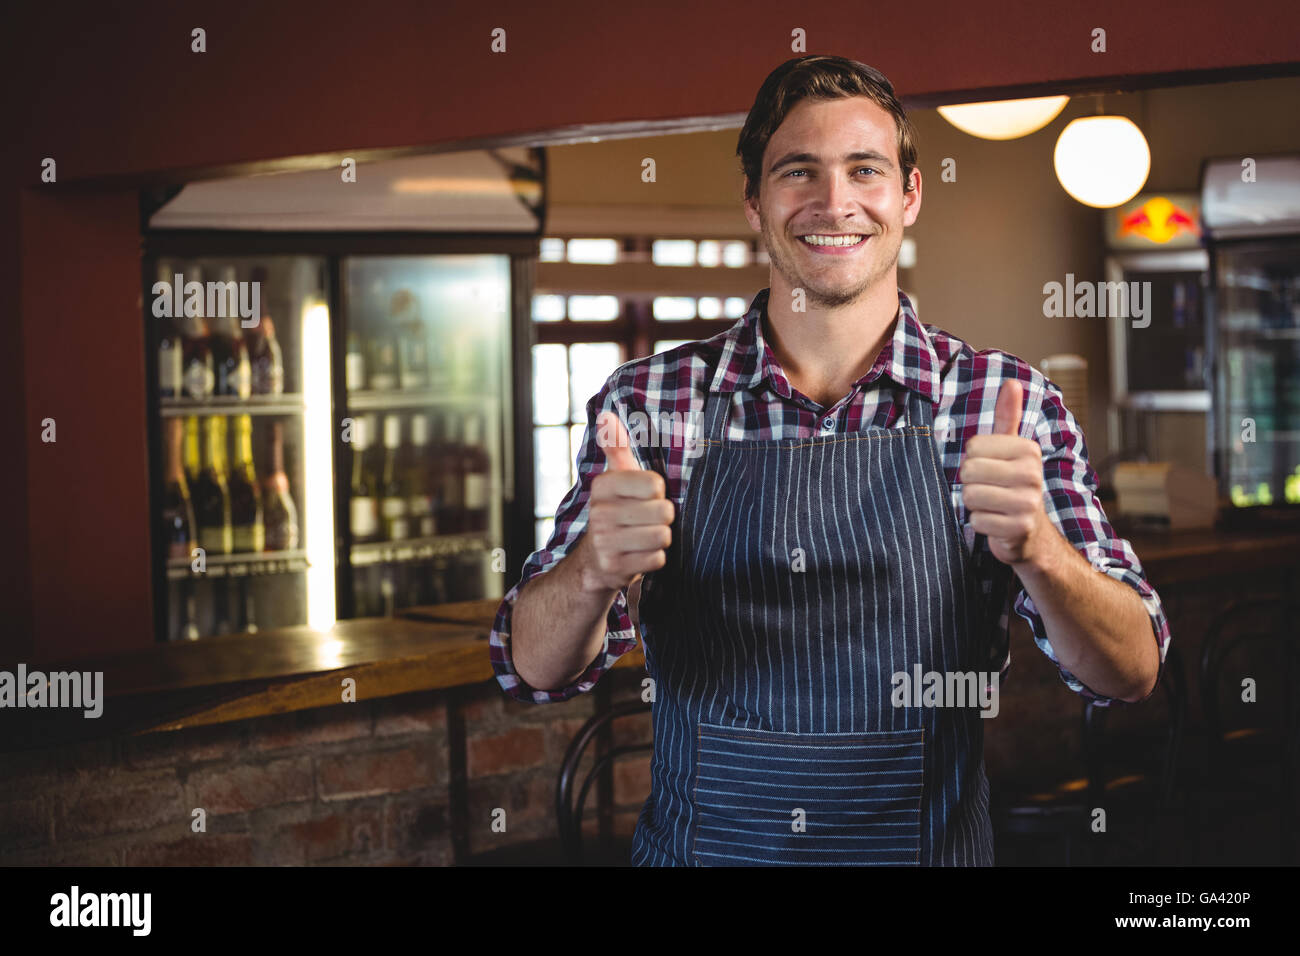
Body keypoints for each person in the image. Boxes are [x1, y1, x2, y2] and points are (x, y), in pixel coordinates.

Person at [489, 54, 1170, 866]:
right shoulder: (653, 402)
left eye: (865, 170)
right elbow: (531, 669)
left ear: (909, 195)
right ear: (754, 201)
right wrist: (594, 571)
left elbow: (1131, 670)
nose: (834, 202)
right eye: (798, 171)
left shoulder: (1002, 400)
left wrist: (1042, 554)